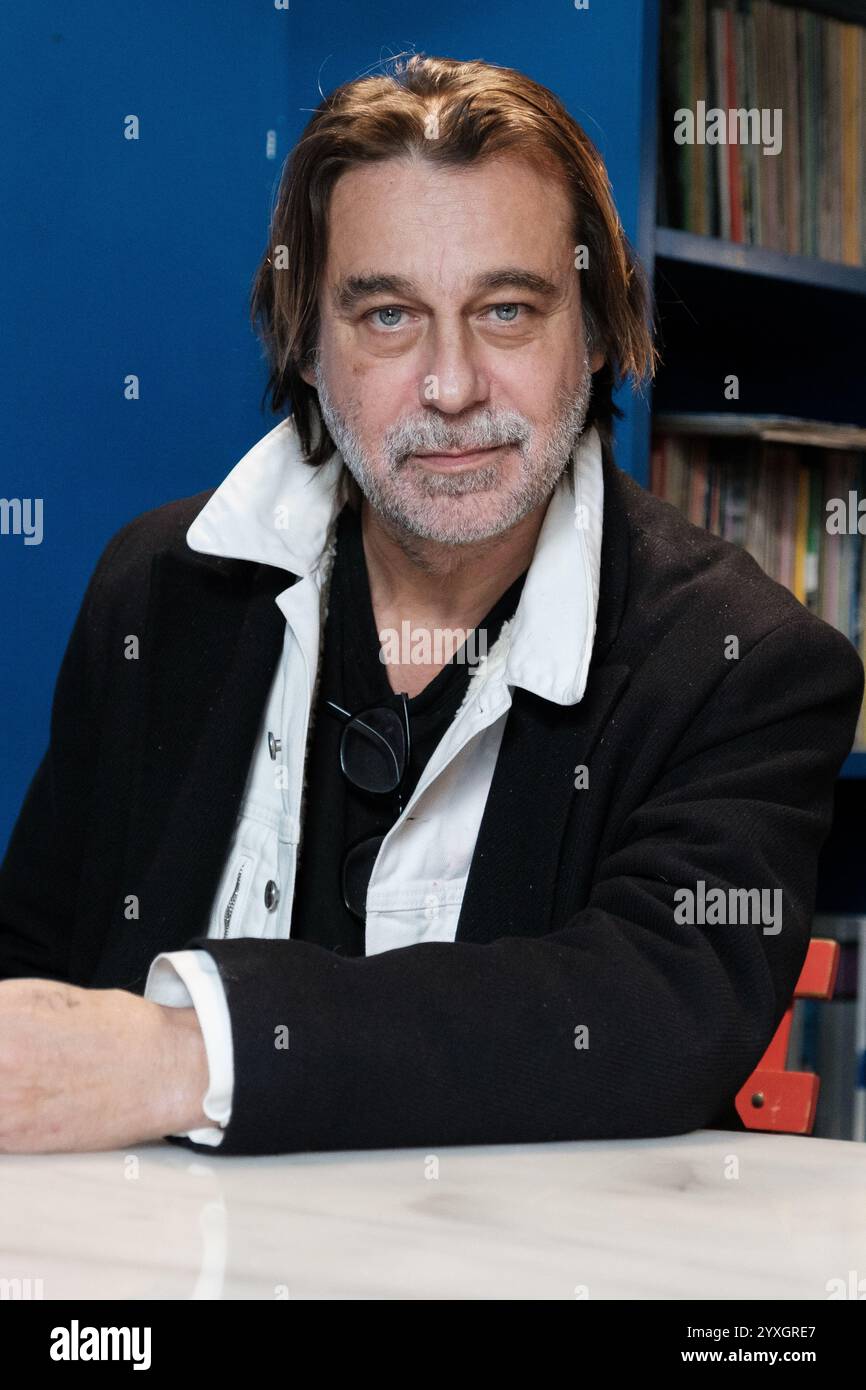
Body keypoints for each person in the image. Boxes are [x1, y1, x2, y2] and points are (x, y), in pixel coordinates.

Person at [0, 55, 862, 1155]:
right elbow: (31, 969)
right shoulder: (157, 588)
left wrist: (186, 1055)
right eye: (388, 316)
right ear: (307, 347)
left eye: (505, 310)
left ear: (593, 336)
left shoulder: (743, 663)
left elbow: (648, 1017)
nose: (451, 388)